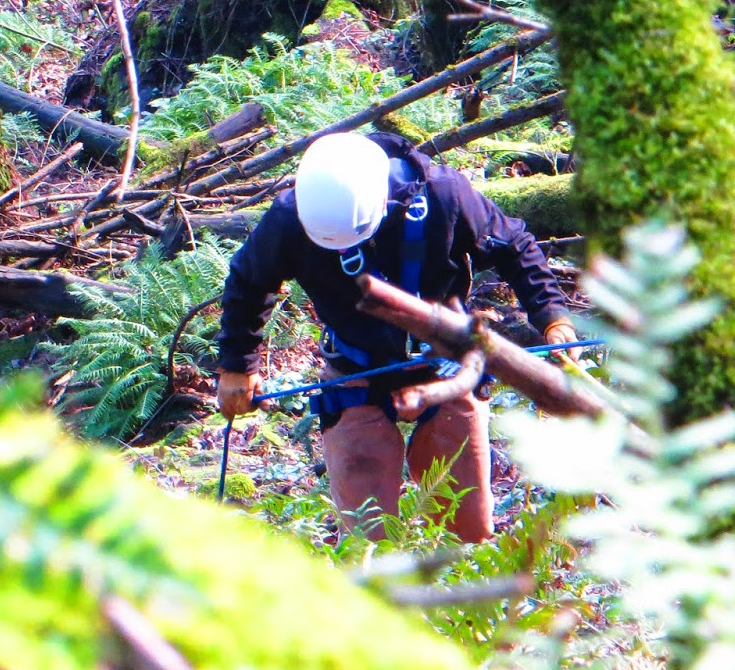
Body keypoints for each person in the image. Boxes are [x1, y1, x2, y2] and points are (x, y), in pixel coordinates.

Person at [216, 130, 577, 542]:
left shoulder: (443, 196)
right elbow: (249, 280)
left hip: (446, 365)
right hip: (356, 368)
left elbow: (514, 245)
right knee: (365, 540)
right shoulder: (291, 218)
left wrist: (552, 317)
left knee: (468, 531)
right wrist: (237, 365)